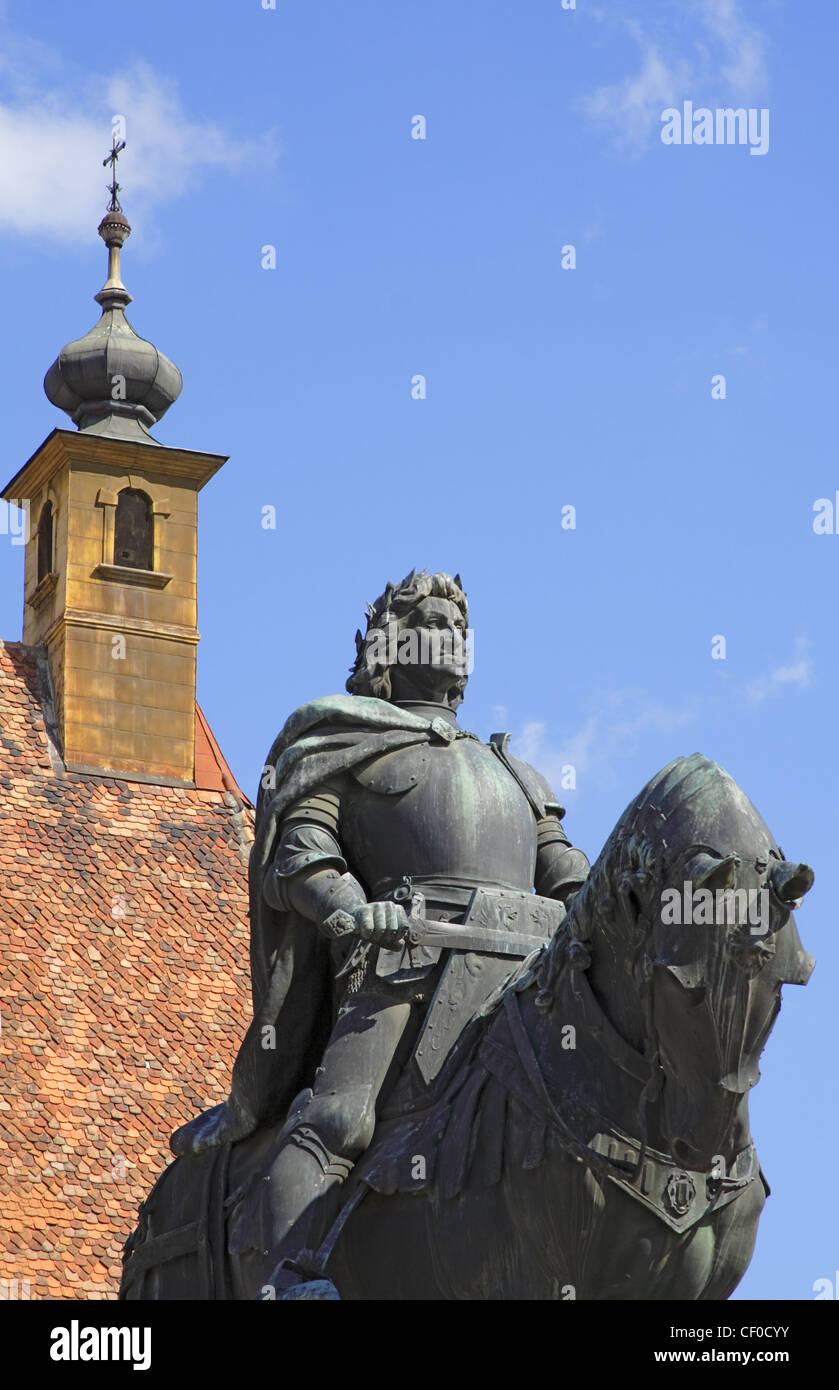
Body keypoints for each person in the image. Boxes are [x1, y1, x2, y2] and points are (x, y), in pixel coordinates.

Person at [171, 569, 589, 1293]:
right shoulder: (341, 745)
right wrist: (355, 907)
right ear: (384, 647)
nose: (447, 637)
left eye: (456, 626)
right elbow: (301, 852)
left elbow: (563, 872)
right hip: (404, 964)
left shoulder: (512, 770)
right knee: (339, 1120)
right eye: (428, 622)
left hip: (523, 980)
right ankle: (289, 1278)